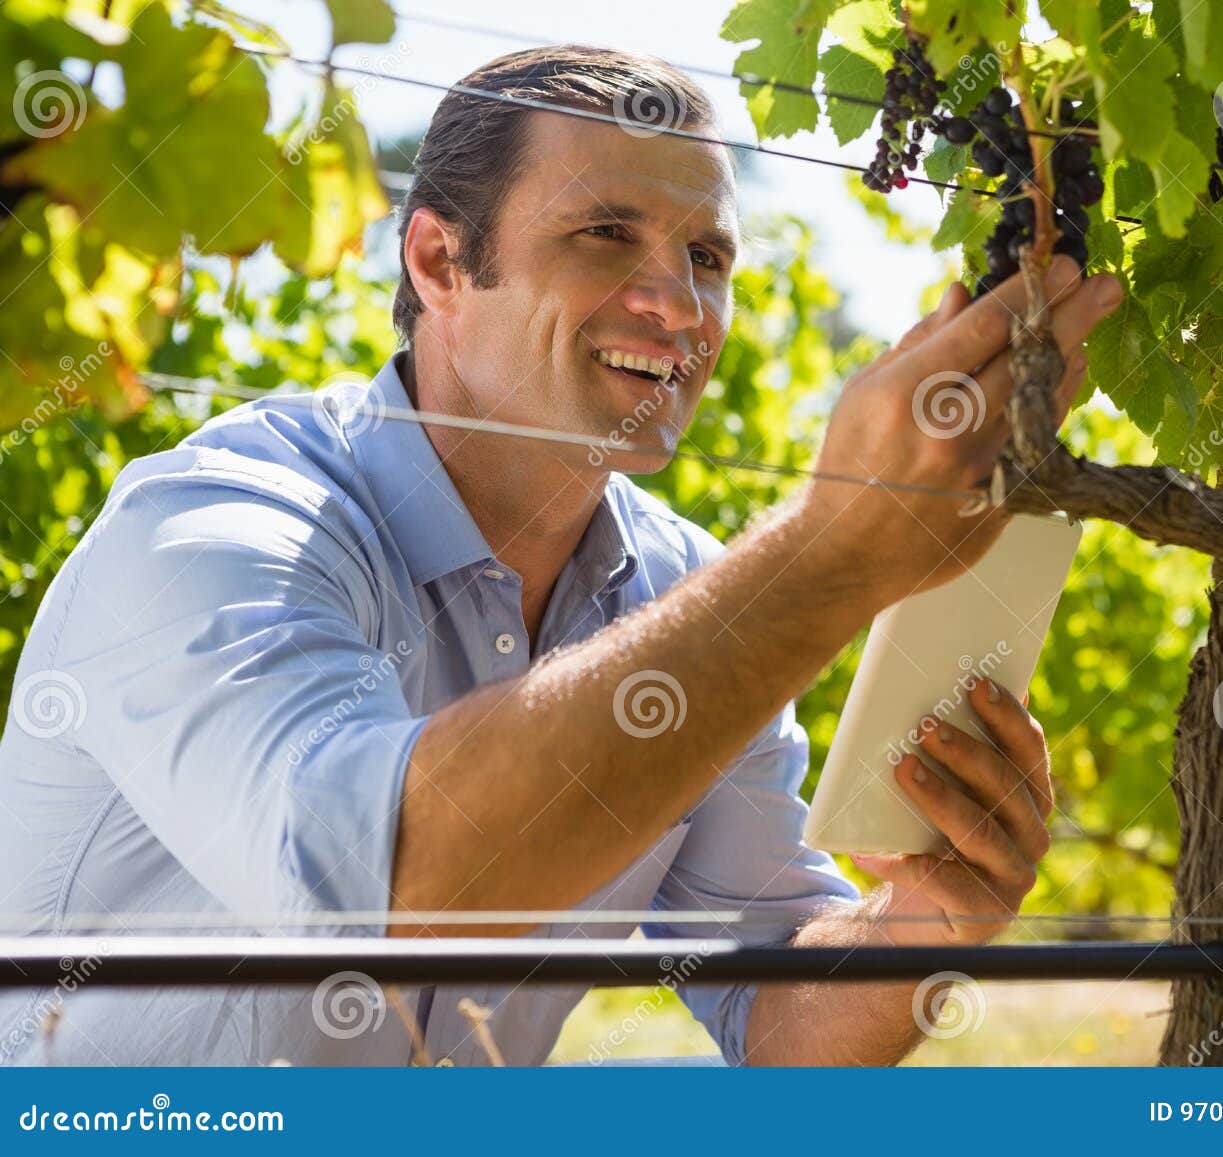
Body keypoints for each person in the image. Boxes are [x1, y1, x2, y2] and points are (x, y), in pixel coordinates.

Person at [0, 45, 1125, 1066]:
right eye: (605, 234)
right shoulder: (217, 525)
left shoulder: (681, 594)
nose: (678, 305)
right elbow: (382, 886)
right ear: (439, 261)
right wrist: (826, 554)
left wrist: (923, 922)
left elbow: (781, 1013)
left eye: (706, 255)